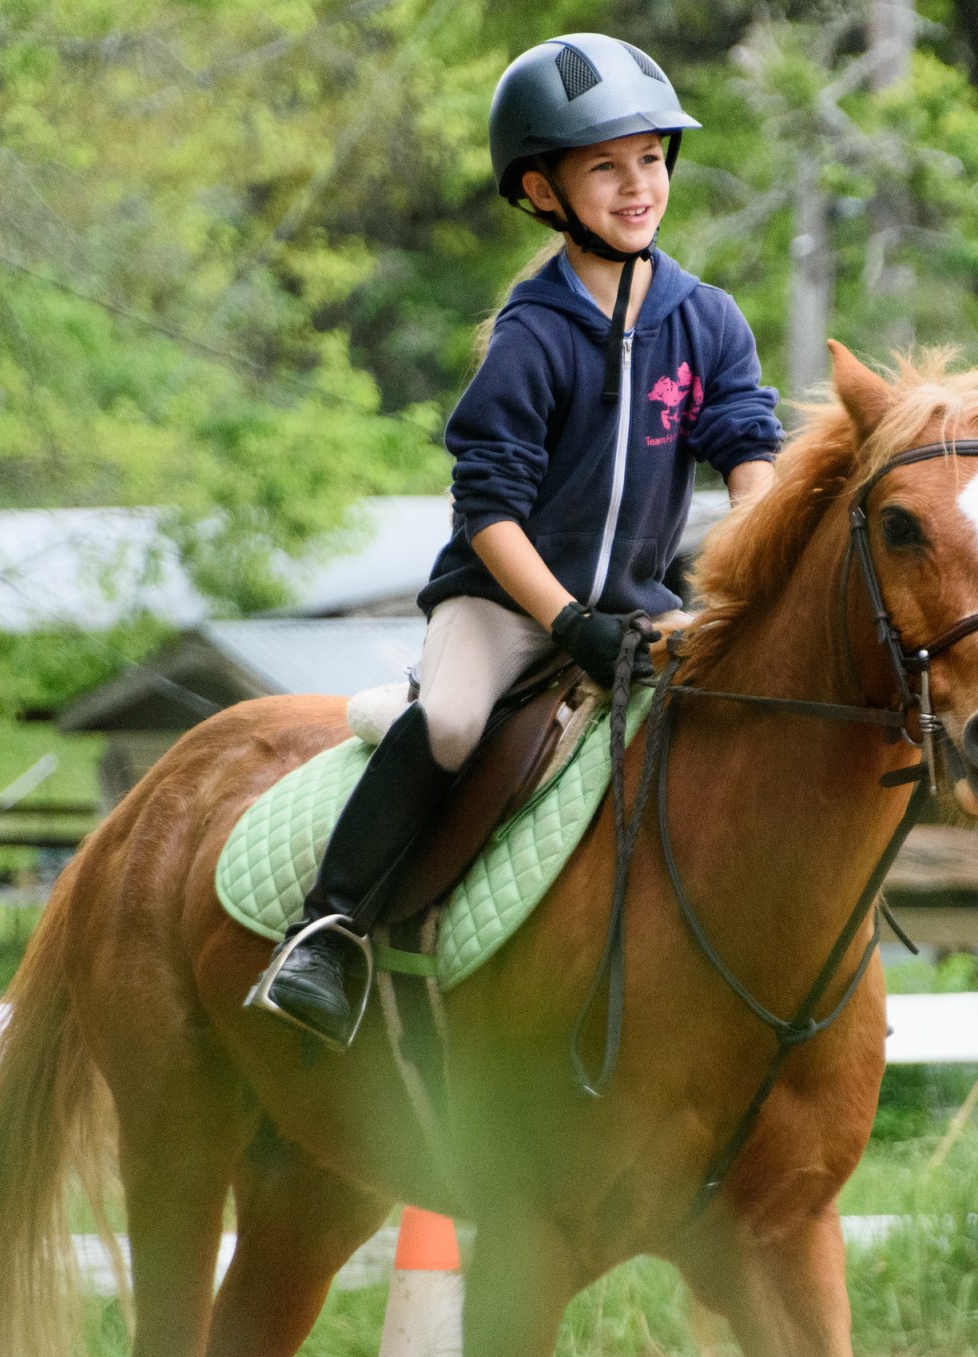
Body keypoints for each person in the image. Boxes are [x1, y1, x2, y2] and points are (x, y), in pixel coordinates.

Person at [249, 33, 784, 1047]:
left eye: (652, 160)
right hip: (502, 603)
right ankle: (329, 927)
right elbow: (486, 512)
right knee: (451, 721)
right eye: (605, 167)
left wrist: (744, 569)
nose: (639, 186)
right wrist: (566, 620)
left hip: (640, 602)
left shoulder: (709, 320)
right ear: (543, 190)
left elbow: (749, 450)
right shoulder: (533, 334)